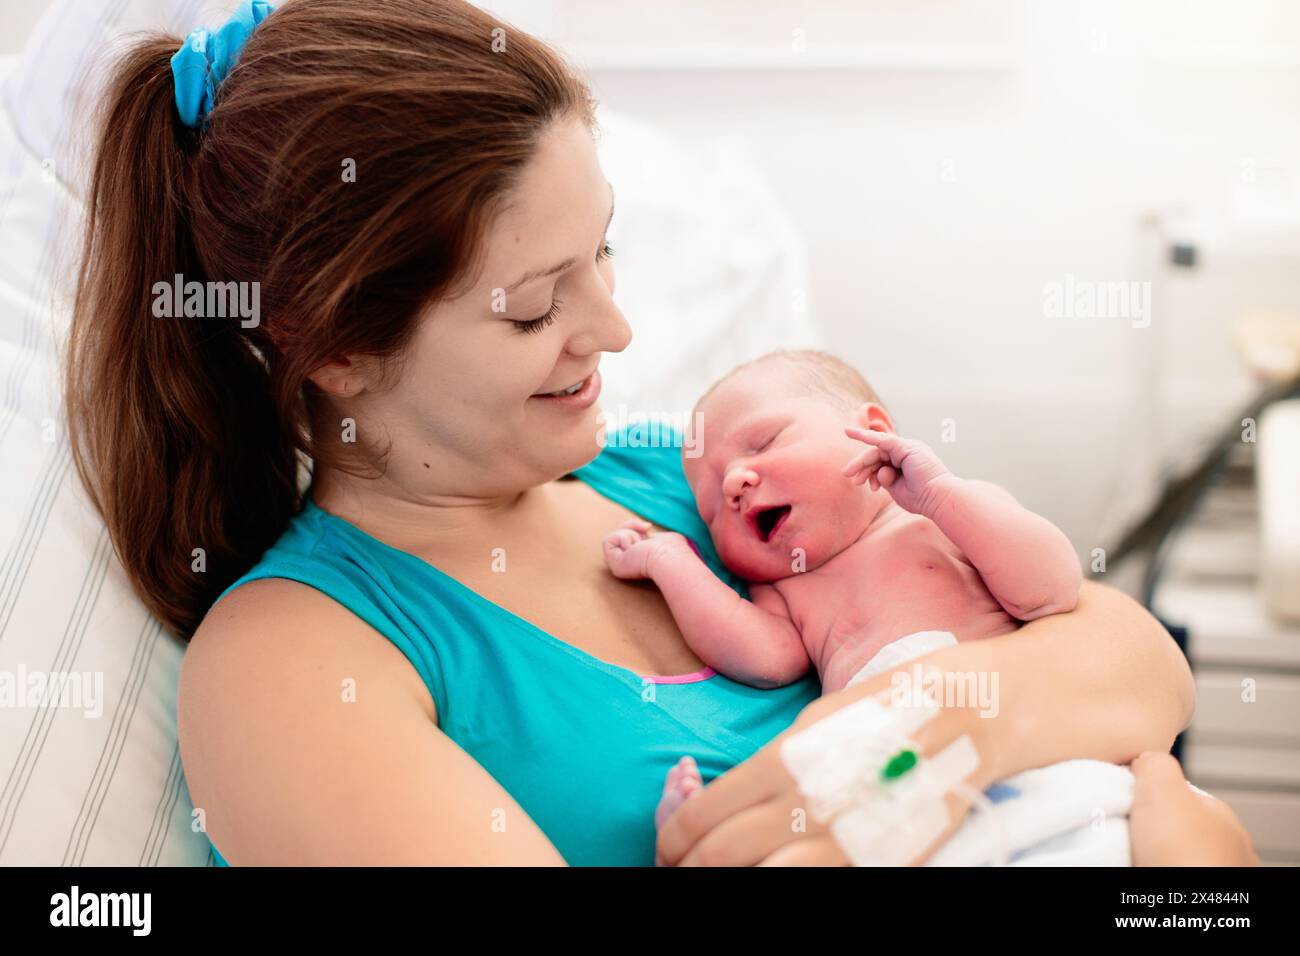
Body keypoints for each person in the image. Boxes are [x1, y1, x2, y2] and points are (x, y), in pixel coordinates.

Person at [65, 0, 1209, 865]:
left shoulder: (693, 476)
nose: (613, 328)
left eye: (604, 251)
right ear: (335, 347)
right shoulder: (291, 666)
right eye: (533, 303)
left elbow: (1132, 656)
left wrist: (919, 743)